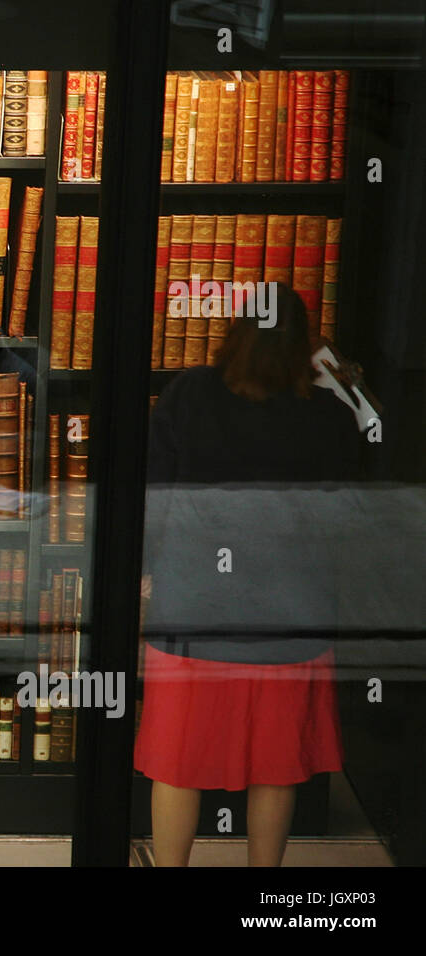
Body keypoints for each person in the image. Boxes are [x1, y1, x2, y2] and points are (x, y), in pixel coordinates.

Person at [135, 284, 363, 866]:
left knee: (178, 763)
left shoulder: (188, 394)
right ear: (303, 344)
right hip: (290, 617)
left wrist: (147, 576)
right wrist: (349, 389)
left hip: (194, 610)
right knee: (275, 769)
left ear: (235, 330)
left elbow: (152, 498)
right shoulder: (329, 415)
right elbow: (349, 514)